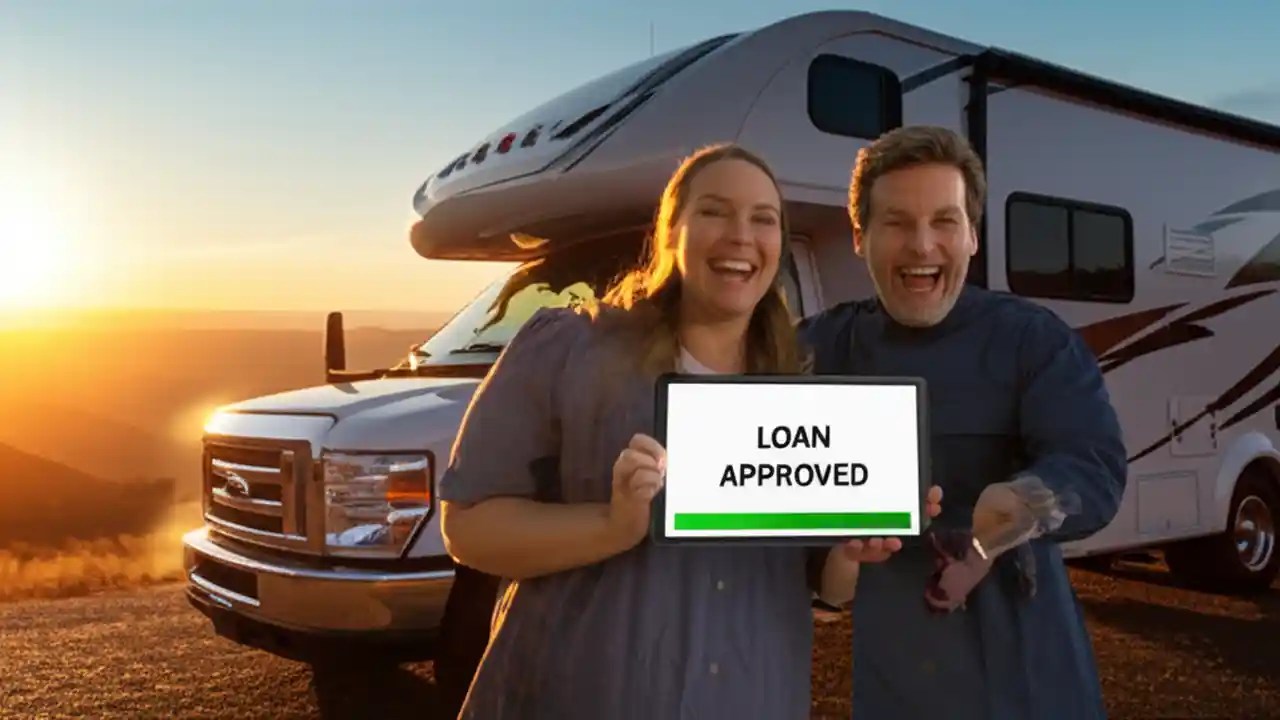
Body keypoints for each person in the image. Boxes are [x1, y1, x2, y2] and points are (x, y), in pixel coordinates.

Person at [435, 142, 942, 720]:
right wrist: (611, 524)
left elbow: (820, 587)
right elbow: (469, 527)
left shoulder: (801, 386)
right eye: (714, 211)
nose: (741, 236)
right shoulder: (570, 347)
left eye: (763, 219)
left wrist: (852, 551)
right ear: (671, 230)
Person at [797, 125, 1128, 719]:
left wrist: (1017, 507)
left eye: (944, 221)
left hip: (1031, 685)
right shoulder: (821, 350)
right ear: (858, 236)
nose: (922, 245)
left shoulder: (1032, 341)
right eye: (896, 222)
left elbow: (1094, 466)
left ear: (972, 236)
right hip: (893, 686)